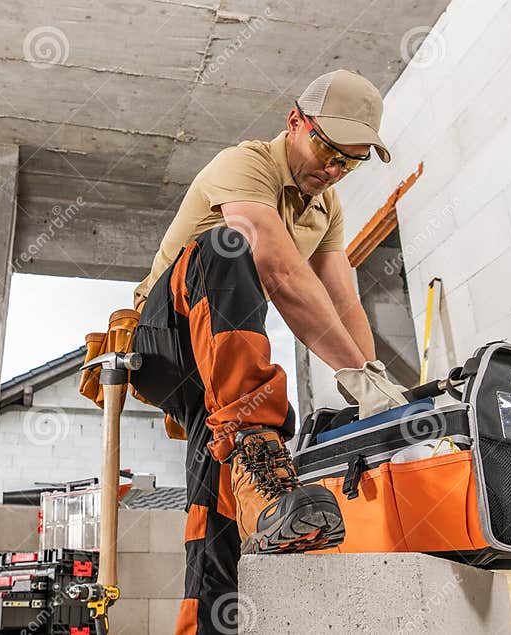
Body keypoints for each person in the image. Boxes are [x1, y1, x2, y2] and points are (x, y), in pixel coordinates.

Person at [129, 69, 410, 634]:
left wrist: (375, 383)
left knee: (220, 503)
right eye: (328, 150)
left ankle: (210, 617)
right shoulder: (245, 164)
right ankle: (256, 447)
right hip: (165, 339)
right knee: (227, 244)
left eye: (350, 162)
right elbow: (278, 270)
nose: (334, 170)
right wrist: (353, 370)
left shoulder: (326, 207)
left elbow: (344, 300)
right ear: (295, 122)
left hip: (222, 364)